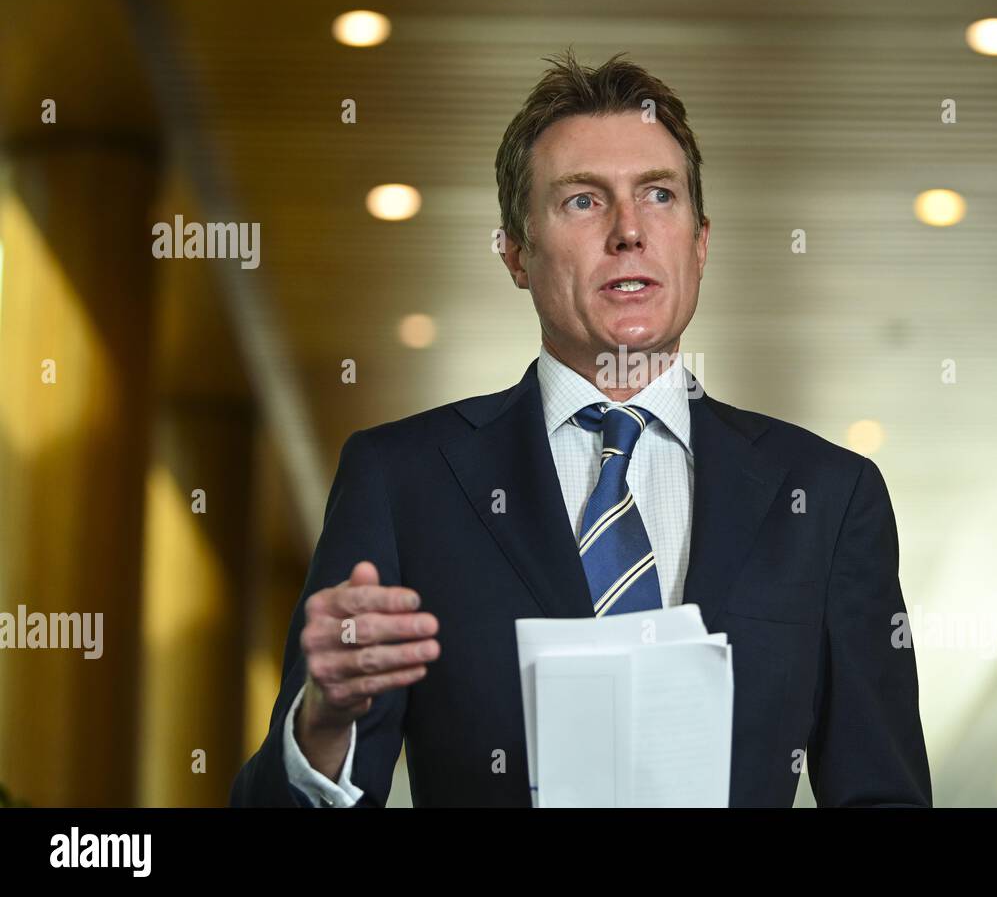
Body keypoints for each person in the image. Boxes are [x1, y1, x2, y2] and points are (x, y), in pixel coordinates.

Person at [230, 49, 932, 807]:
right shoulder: (404, 481)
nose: (629, 231)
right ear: (515, 250)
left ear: (700, 240)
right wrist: (324, 725)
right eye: (583, 201)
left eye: (659, 195)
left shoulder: (826, 497)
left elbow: (882, 793)